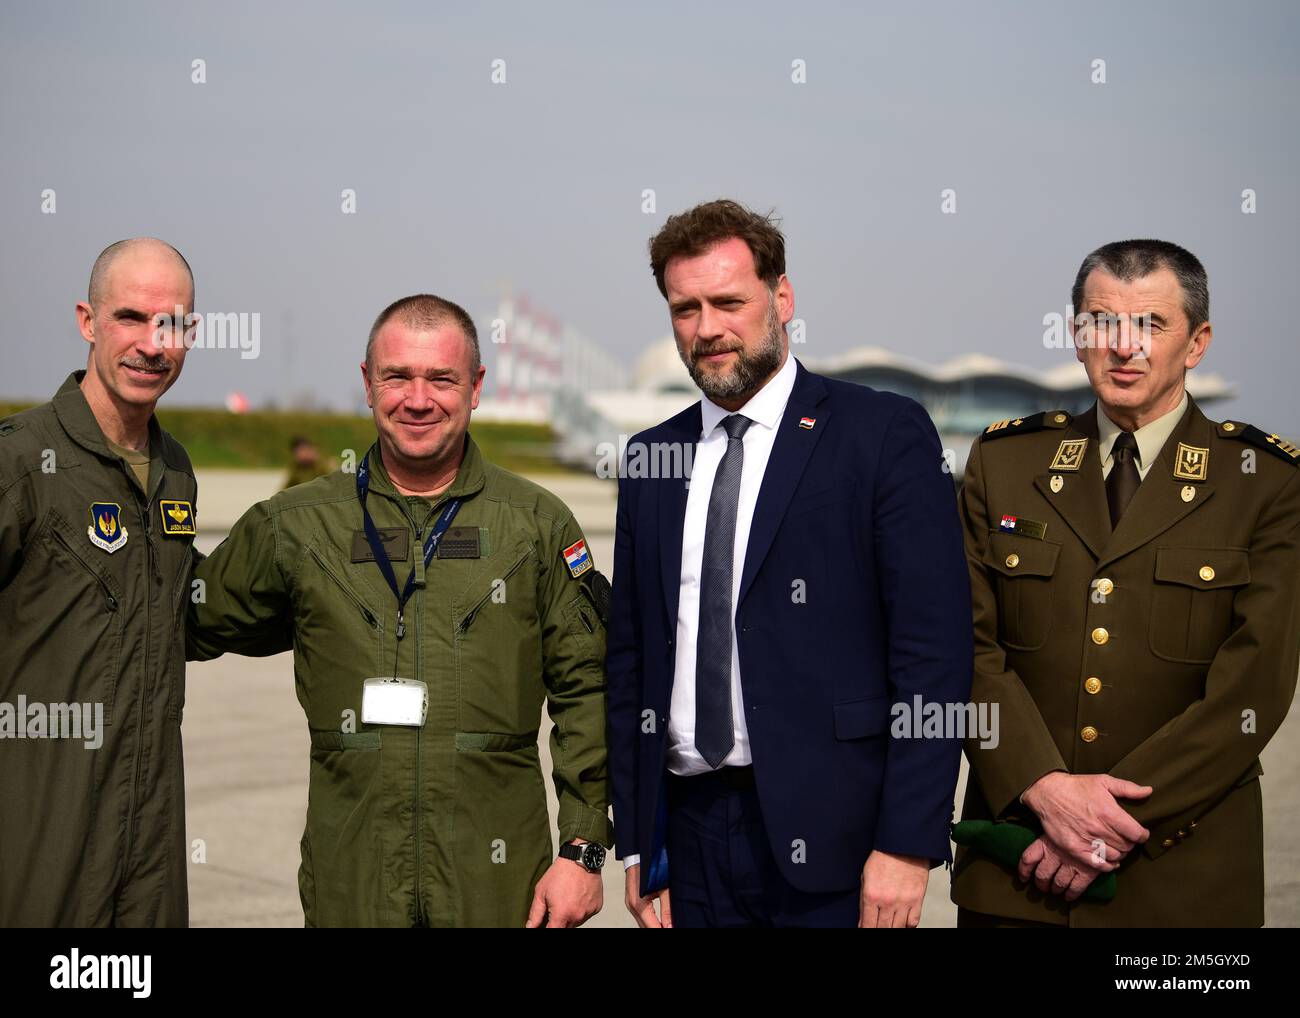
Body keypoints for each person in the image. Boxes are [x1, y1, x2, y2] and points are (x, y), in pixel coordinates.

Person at [187, 294, 613, 927]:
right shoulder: (298, 525)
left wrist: (582, 850)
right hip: (352, 886)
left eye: (442, 378)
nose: (418, 399)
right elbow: (183, 617)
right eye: (397, 377)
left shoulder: (536, 526)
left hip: (498, 891)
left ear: (476, 388)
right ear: (367, 383)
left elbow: (589, 690)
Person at [606, 199, 973, 928]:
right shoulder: (652, 458)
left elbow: (934, 653)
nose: (707, 328)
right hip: (688, 837)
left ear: (782, 297)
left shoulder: (882, 434)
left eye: (728, 301)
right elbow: (631, 658)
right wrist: (638, 841)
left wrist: (908, 843)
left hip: (839, 841)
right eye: (685, 308)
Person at [952, 239, 1300, 927]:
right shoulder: (1004, 464)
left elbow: (1252, 688)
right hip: (1020, 869)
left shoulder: (1263, 482)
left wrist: (1103, 826)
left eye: (1150, 325)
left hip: (1181, 878)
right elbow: (964, 647)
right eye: (1101, 323)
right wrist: (1043, 788)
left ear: (1196, 343)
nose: (1123, 346)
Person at [0, 238, 199, 926]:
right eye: (130, 318)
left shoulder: (174, 469)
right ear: (88, 321)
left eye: (170, 323)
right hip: (35, 824)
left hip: (148, 835)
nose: (152, 343)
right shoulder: (23, 462)